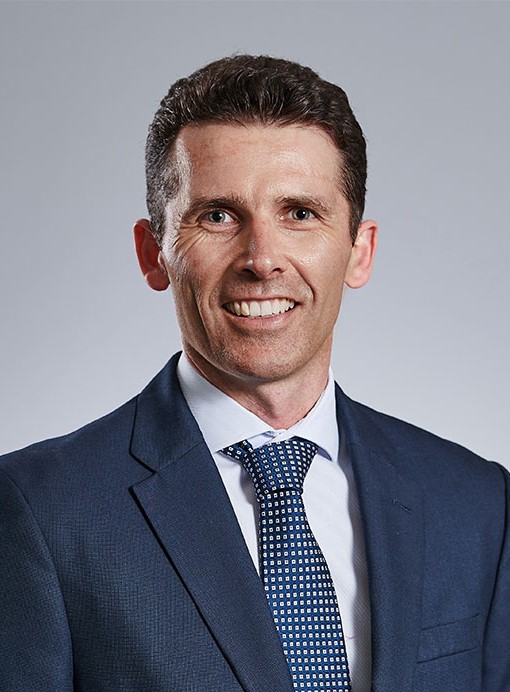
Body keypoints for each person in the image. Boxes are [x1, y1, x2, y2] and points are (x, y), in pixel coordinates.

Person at [0, 55, 508, 692]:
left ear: (360, 251)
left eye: (300, 213)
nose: (262, 259)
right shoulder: (38, 512)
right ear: (153, 254)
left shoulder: (477, 504)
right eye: (217, 215)